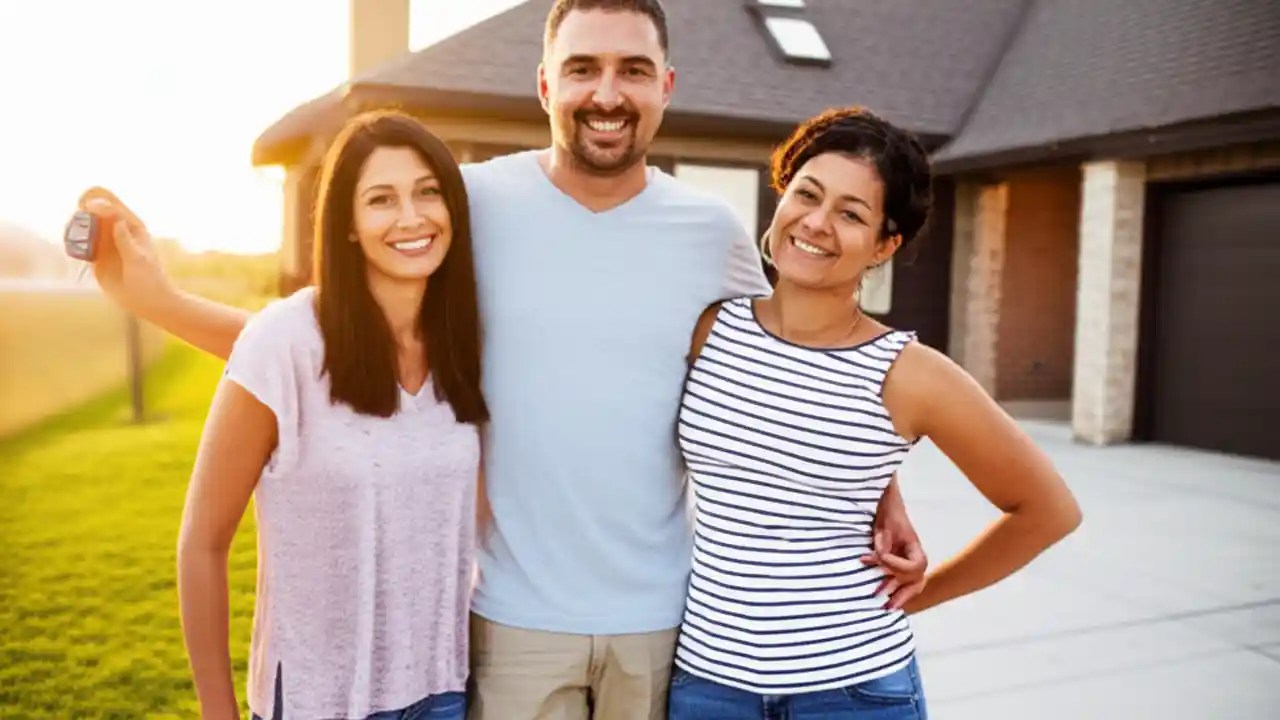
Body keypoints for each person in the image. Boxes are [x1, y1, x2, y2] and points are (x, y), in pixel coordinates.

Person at [77, 2, 927, 718]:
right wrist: (158, 303)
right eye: (583, 67)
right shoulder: (466, 206)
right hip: (510, 619)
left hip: (664, 620)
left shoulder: (711, 235)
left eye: (632, 69)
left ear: (665, 87)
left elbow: (781, 366)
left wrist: (878, 491)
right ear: (545, 83)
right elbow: (331, 341)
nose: (606, 92)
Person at [667, 107, 1083, 719]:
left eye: (851, 214)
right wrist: (883, 487)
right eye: (807, 194)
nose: (817, 222)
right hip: (707, 688)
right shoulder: (709, 328)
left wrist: (915, 594)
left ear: (886, 244)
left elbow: (1048, 511)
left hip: (853, 694)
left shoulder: (910, 373)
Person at [104, 110, 483, 719]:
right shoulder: (282, 341)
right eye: (381, 199)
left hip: (443, 692)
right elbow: (201, 544)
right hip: (317, 698)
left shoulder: (463, 346)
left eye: (428, 192)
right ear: (350, 225)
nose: (412, 218)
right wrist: (218, 713)